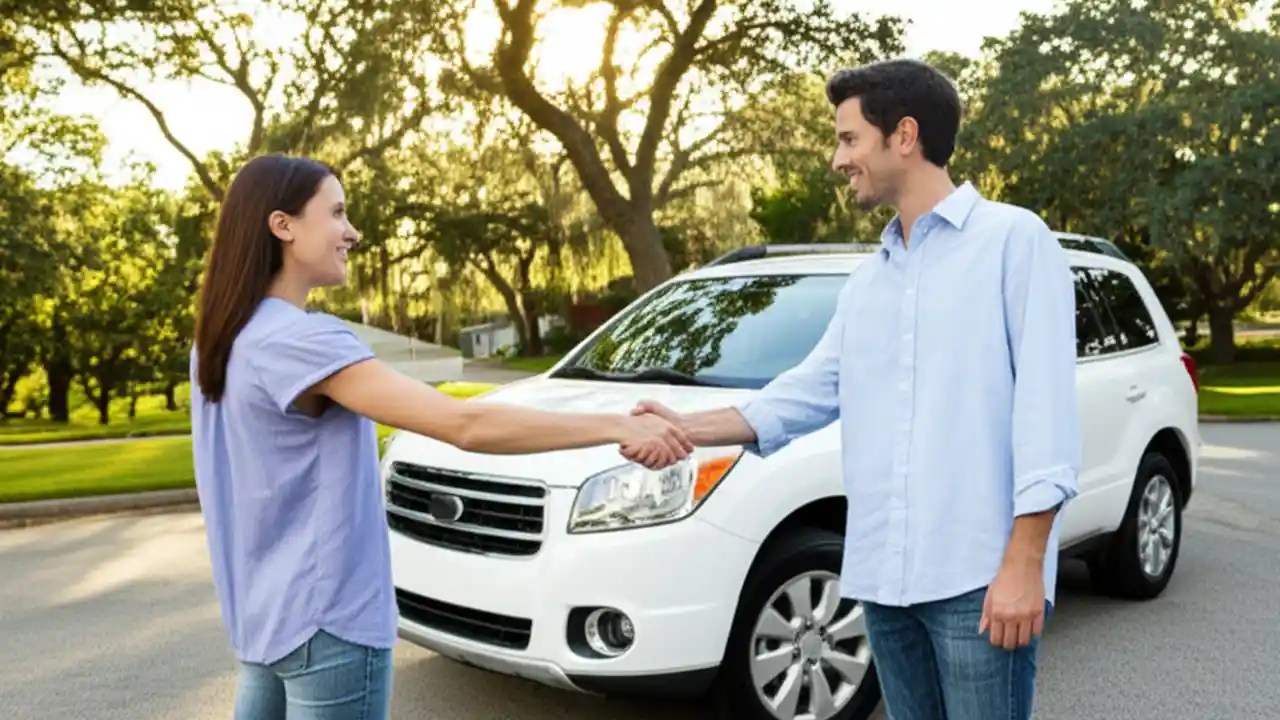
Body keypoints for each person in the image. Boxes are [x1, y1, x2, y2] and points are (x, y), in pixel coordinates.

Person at [633, 59, 1080, 720]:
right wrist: (682, 428)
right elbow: (807, 392)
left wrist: (1024, 563)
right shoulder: (871, 281)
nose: (837, 159)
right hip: (883, 578)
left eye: (848, 139)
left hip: (978, 579)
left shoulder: (1014, 241)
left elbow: (1045, 417)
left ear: (905, 136)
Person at [190, 153, 692, 720]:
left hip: (261, 616)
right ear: (283, 226)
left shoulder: (223, 338)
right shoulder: (304, 341)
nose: (352, 233)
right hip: (324, 620)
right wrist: (617, 426)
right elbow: (465, 425)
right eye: (337, 213)